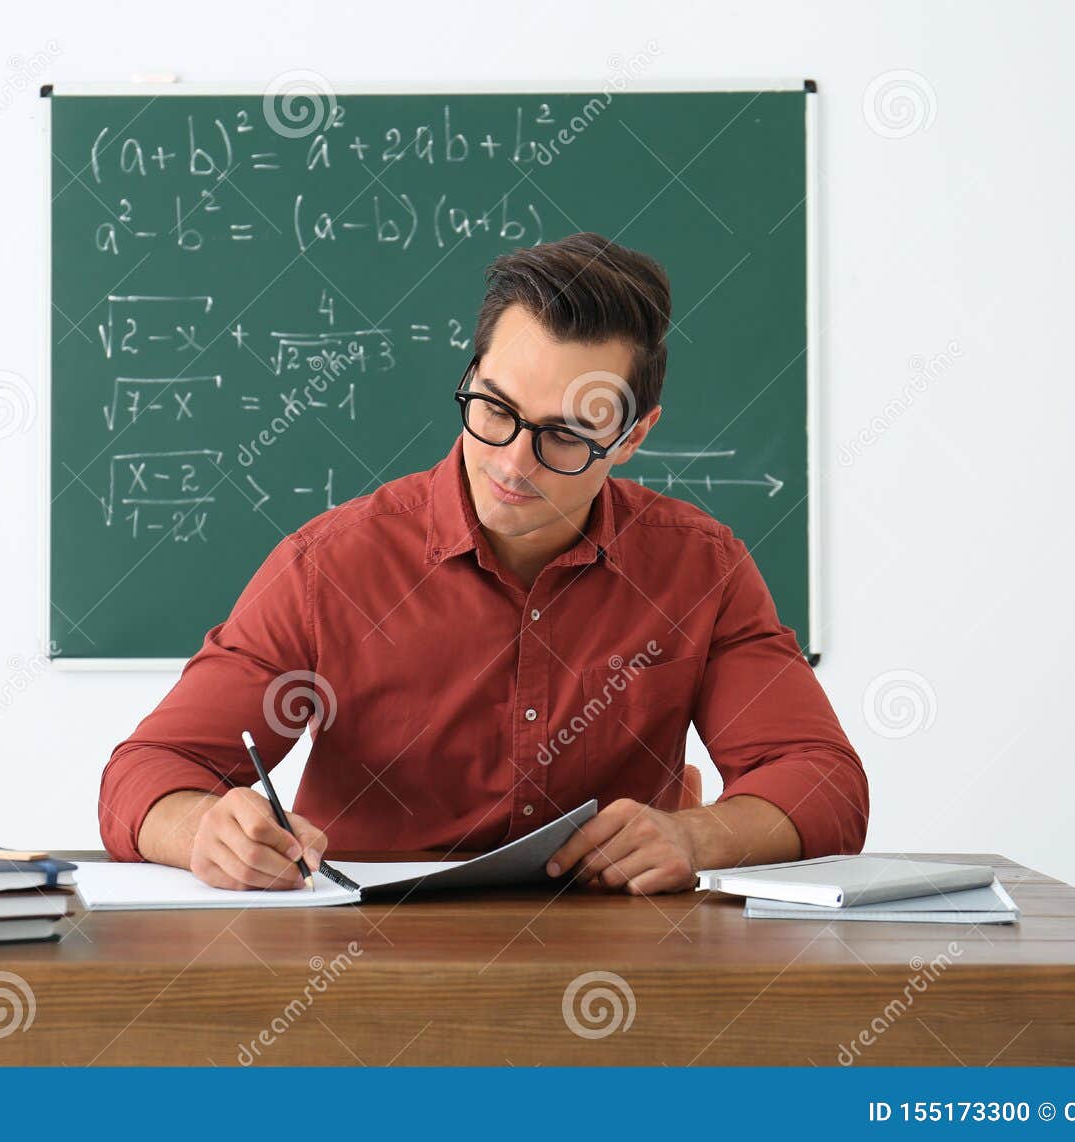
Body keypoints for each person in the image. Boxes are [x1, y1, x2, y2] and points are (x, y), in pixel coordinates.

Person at [98, 231, 868, 895]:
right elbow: (147, 771)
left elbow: (825, 782)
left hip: (618, 962)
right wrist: (204, 829)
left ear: (632, 436)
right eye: (495, 409)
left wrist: (697, 837)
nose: (513, 463)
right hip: (363, 964)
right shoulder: (327, 567)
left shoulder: (699, 567)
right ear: (470, 378)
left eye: (564, 436)